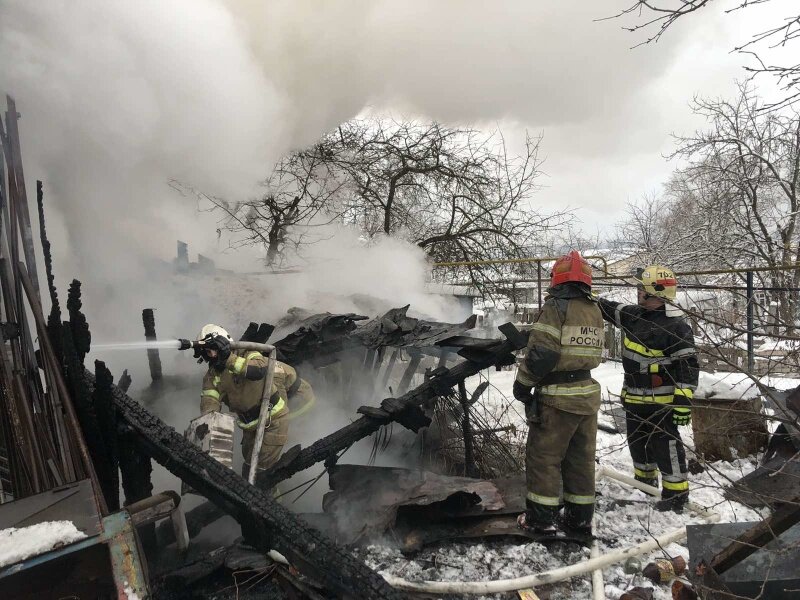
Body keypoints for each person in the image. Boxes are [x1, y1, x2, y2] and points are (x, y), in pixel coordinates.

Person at [513, 251, 605, 537]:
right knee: (580, 460)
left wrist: (522, 383)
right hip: (586, 395)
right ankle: (578, 519)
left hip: (557, 397)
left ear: (556, 279)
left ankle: (541, 521)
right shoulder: (594, 309)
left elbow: (543, 353)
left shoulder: (556, 307)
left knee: (544, 459)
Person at [598, 265, 698, 512]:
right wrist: (585, 294)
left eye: (642, 289)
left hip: (661, 402)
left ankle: (676, 494)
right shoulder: (634, 315)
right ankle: (645, 482)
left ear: (655, 293)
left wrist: (683, 400)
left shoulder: (677, 327)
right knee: (638, 443)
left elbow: (688, 366)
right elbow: (609, 308)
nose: (638, 293)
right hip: (633, 398)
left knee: (666, 446)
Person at [195, 324, 314, 484]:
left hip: (273, 421)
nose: (213, 354)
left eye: (215, 348)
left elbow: (257, 371)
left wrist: (229, 359)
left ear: (225, 343)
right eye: (208, 352)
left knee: (260, 476)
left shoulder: (248, 353)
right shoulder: (212, 376)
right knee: (248, 470)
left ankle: (270, 503)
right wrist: (208, 430)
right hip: (250, 427)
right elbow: (209, 405)